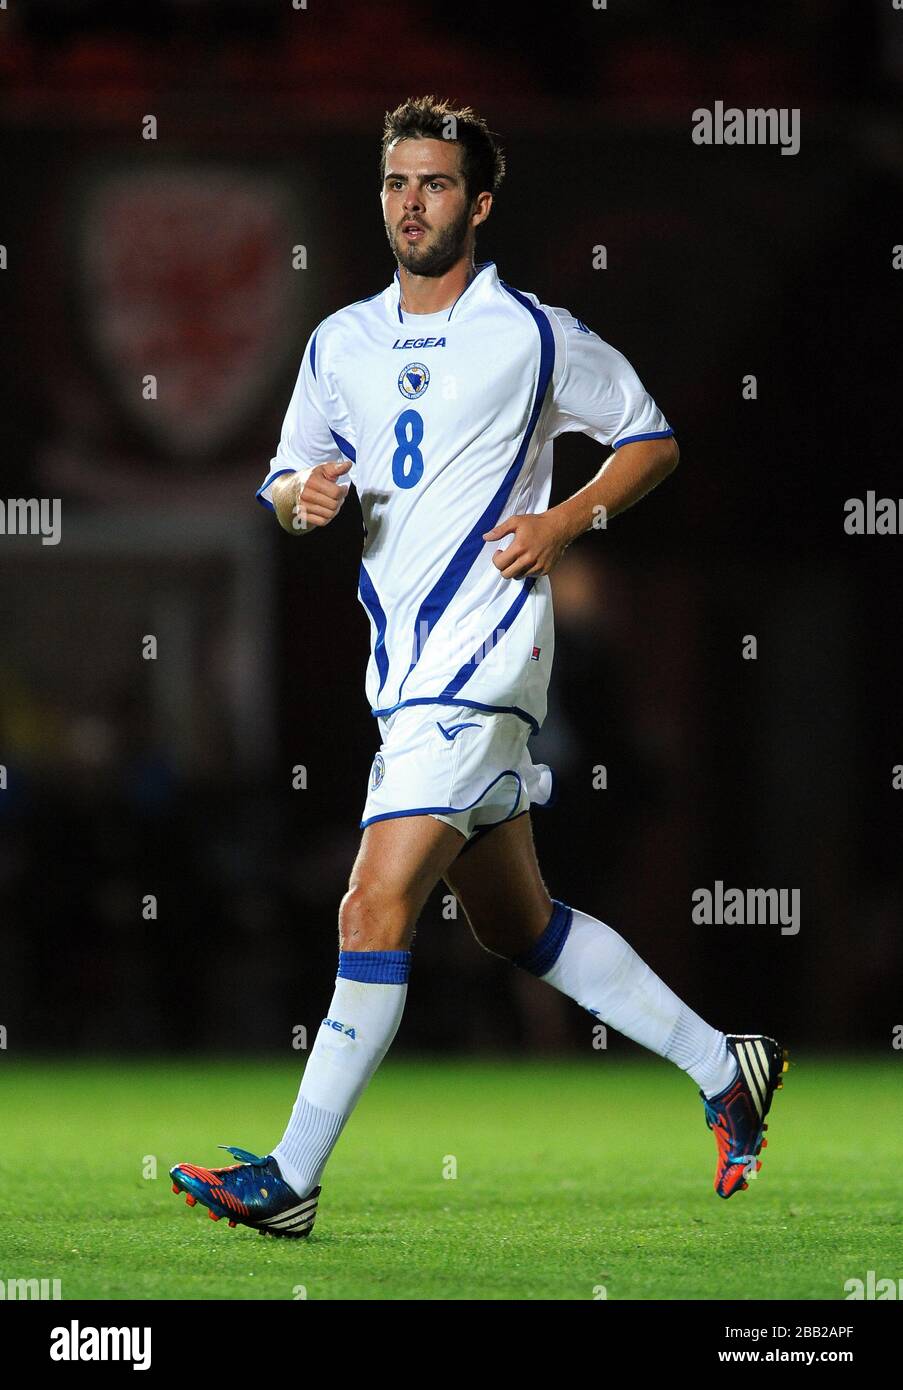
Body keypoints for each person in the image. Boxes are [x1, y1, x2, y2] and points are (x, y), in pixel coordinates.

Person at [171, 96, 787, 1238]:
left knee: (371, 904)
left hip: (486, 664)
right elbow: (284, 477)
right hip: (404, 679)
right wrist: (297, 502)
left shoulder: (533, 332)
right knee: (519, 926)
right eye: (398, 181)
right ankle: (726, 1061)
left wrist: (571, 521)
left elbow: (650, 435)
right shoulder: (338, 341)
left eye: (437, 183)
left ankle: (292, 1178)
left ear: (479, 202)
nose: (413, 200)